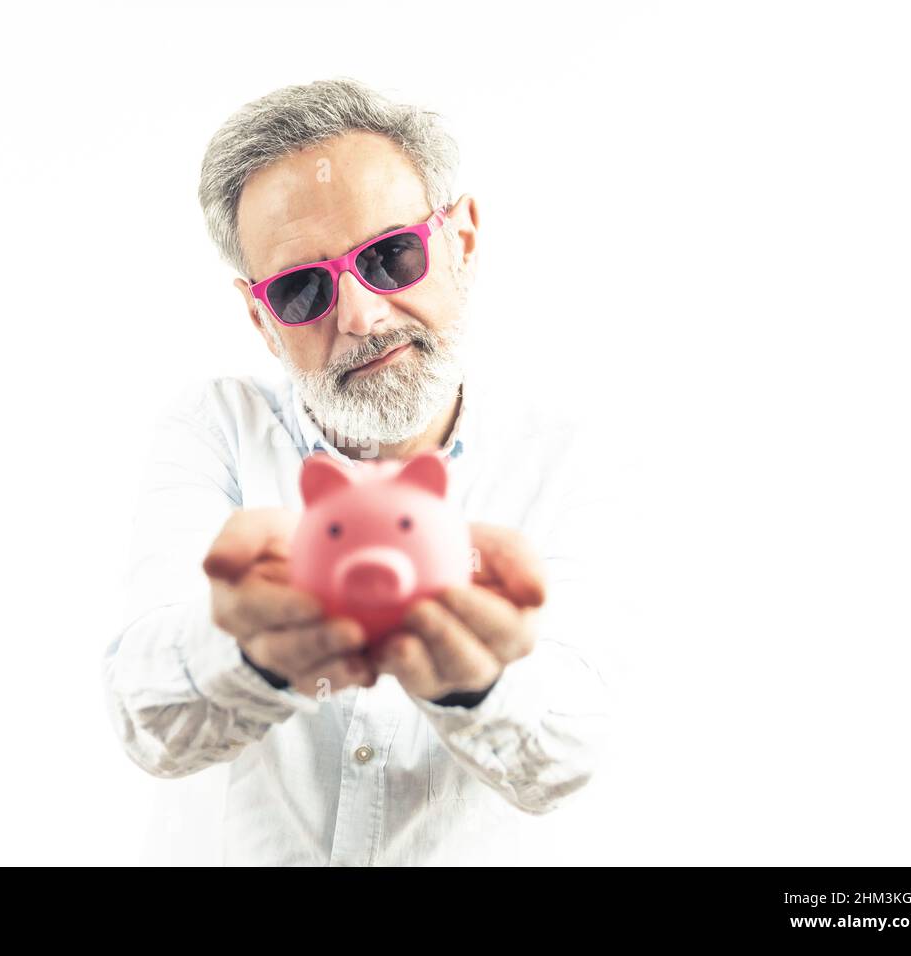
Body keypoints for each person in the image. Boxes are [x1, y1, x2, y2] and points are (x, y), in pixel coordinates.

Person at [102, 77, 612, 866]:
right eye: (302, 289)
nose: (361, 316)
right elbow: (144, 712)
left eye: (390, 255)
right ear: (262, 319)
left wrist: (472, 680)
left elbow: (572, 750)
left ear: (462, 242)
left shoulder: (565, 456)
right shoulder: (217, 431)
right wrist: (257, 644)